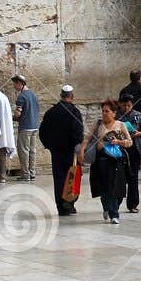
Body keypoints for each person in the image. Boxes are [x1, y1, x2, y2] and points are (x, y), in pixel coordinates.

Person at [82, 99, 132, 224]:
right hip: (102, 160)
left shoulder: (121, 125)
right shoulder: (98, 124)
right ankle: (112, 212)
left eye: (107, 111)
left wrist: (119, 142)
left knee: (117, 189)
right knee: (106, 188)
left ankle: (112, 209)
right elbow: (87, 138)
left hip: (116, 160)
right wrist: (82, 150)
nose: (104, 113)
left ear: (114, 113)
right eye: (103, 111)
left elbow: (129, 142)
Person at [39, 85, 85, 215]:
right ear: (72, 96)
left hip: (57, 152)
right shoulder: (74, 112)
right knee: (73, 176)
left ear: (61, 95)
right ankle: (69, 204)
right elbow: (78, 132)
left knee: (59, 178)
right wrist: (78, 146)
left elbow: (42, 132)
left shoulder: (51, 112)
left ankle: (61, 206)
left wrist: (49, 145)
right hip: (70, 151)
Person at [118, 94, 141, 214]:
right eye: (124, 105)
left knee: (133, 177)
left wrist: (139, 133)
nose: (127, 108)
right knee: (120, 176)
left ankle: (133, 203)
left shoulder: (137, 115)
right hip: (120, 148)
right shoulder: (116, 116)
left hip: (134, 148)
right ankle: (117, 202)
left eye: (129, 105)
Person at [11, 75, 41, 182]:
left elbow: (18, 113)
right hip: (34, 126)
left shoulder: (22, 96)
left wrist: (12, 117)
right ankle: (32, 172)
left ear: (20, 83)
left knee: (24, 151)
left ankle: (25, 173)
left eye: (15, 84)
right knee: (32, 150)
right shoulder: (33, 95)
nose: (14, 86)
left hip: (25, 127)